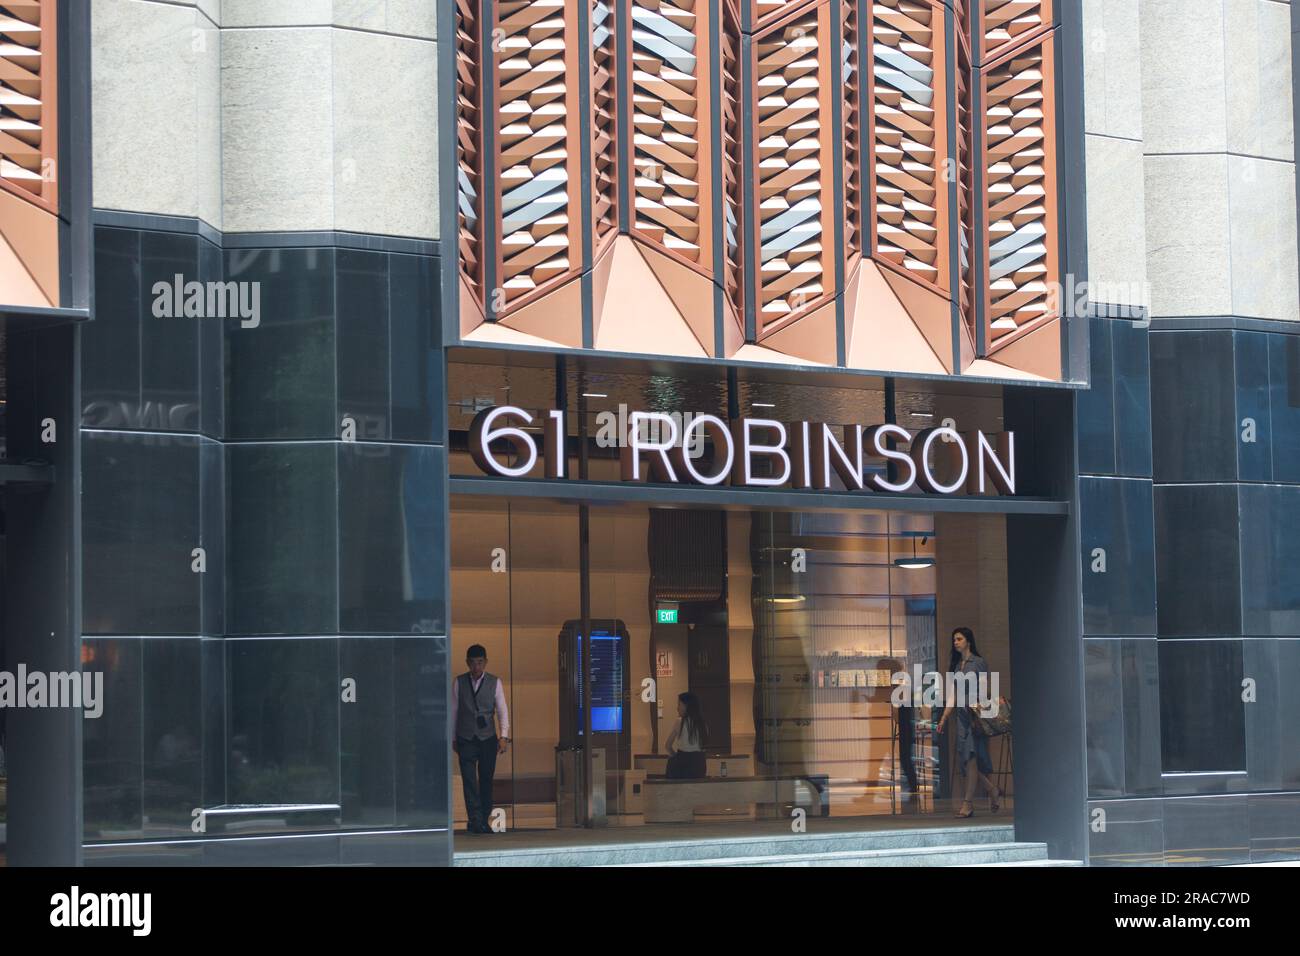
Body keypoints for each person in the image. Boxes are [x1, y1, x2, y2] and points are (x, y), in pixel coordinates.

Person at [936, 627, 1000, 818]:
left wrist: (976, 713)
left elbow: (984, 690)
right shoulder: (958, 666)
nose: (955, 642)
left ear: (968, 641)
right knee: (966, 761)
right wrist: (944, 717)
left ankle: (967, 804)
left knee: (970, 759)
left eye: (959, 639)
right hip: (961, 718)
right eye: (954, 639)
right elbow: (953, 694)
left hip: (973, 716)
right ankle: (992, 789)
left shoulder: (978, 663)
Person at [451, 644, 510, 833]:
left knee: (486, 779)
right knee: (469, 780)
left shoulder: (495, 682)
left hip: (487, 738)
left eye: (480, 662)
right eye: (473, 663)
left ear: (485, 662)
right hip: (465, 737)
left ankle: (484, 818)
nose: (476, 667)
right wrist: (453, 737)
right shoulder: (459, 682)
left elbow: (502, 710)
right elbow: (454, 712)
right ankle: (475, 819)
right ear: (467, 663)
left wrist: (504, 736)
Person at [664, 692, 707, 779]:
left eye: (679, 705)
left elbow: (668, 746)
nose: (677, 708)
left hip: (683, 764)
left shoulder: (680, 721)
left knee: (671, 762)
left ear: (686, 706)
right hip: (699, 766)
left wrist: (675, 756)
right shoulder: (703, 724)